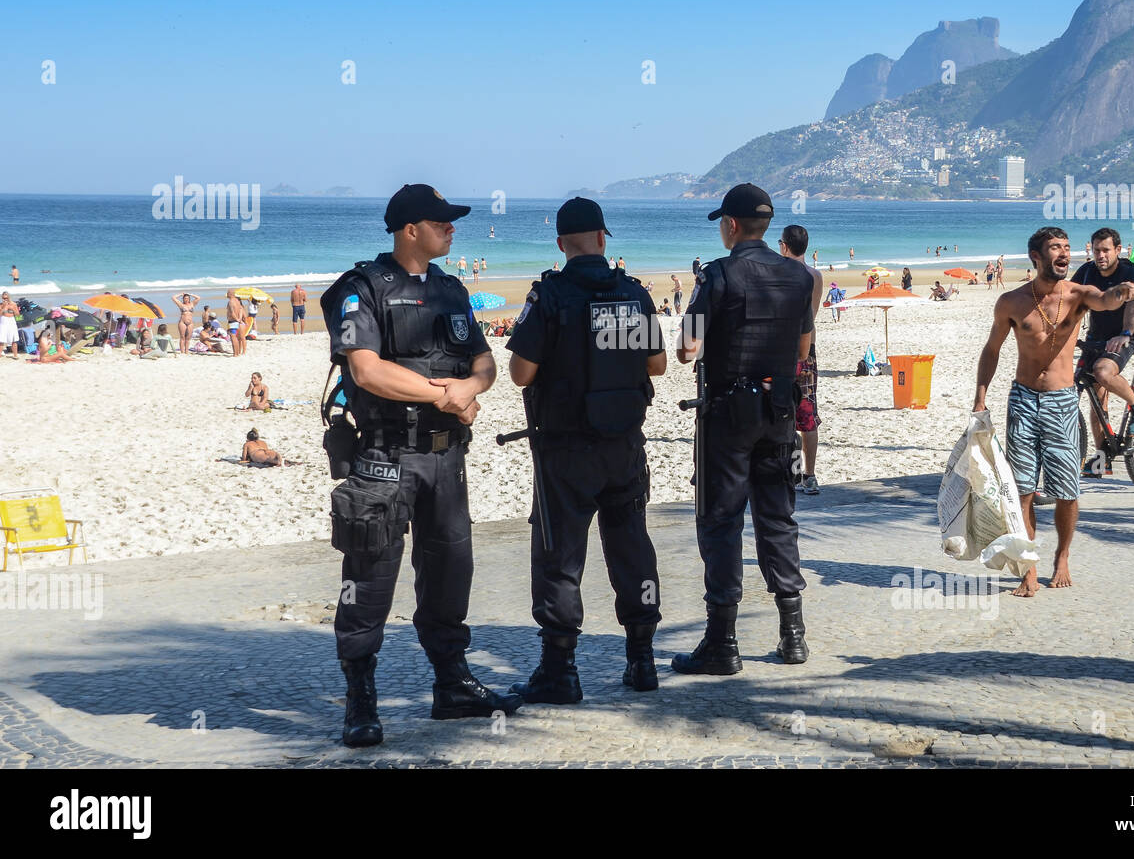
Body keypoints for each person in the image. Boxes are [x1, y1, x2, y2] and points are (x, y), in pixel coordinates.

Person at [320, 182, 520, 747]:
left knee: (450, 574)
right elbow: (367, 371)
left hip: (446, 459)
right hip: (384, 458)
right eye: (441, 222)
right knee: (369, 578)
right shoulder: (361, 289)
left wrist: (472, 387)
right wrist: (444, 394)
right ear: (411, 229)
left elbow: (484, 359)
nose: (452, 228)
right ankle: (360, 699)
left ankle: (452, 685)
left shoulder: (453, 290)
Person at [504, 196, 665, 703]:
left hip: (565, 450)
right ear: (602, 239)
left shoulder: (550, 297)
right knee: (632, 548)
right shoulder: (633, 294)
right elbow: (658, 365)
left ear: (560, 245)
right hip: (624, 446)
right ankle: (642, 660)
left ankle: (560, 670)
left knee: (560, 558)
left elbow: (519, 374)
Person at [675, 183, 814, 675]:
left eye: (721, 222)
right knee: (778, 519)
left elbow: (687, 350)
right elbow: (801, 351)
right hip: (779, 413)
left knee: (721, 521)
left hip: (728, 416)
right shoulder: (798, 278)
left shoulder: (717, 275)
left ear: (731, 225)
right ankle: (793, 634)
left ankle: (722, 642)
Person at [973, 226, 1134, 597]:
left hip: (1062, 402)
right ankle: (1028, 565)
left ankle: (1062, 556)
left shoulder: (1079, 295)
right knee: (1024, 490)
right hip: (1023, 400)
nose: (1063, 253)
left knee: (1066, 489)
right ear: (1036, 256)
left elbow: (1106, 298)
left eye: (1066, 247)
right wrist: (980, 396)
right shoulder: (1012, 302)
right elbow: (992, 350)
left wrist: (1123, 292)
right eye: (1054, 248)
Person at [1070, 227, 1134, 478]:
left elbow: (1133, 306)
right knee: (1095, 400)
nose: (1100, 255)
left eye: (1105, 250)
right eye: (1096, 250)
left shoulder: (1129, 271)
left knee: (1103, 372)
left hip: (1125, 337)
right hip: (1095, 339)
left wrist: (1125, 333)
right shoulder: (1086, 272)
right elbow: (1065, 300)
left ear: (1118, 250)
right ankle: (1103, 458)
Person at [779, 225, 823, 495]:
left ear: (784, 246)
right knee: (808, 414)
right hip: (809, 347)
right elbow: (812, 315)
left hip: (784, 348)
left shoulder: (780, 273)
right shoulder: (815, 276)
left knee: (783, 413)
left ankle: (793, 473)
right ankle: (809, 474)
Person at [225, 290, 246, 357]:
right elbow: (240, 310)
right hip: (236, 321)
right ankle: (237, 352)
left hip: (233, 321)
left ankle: (235, 353)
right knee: (236, 337)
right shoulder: (237, 301)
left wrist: (237, 319)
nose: (227, 294)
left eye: (227, 293)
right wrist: (239, 318)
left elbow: (232, 312)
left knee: (233, 337)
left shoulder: (231, 302)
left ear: (231, 294)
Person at [0, 291, 19, 358]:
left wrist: (13, 309)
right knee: (1, 338)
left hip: (11, 320)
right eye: (4, 298)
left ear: (9, 297)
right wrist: (4, 307)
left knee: (14, 338)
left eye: (6, 298)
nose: (5, 300)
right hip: (3, 321)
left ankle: (15, 355)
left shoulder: (14, 304)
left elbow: (17, 314)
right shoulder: (1, 304)